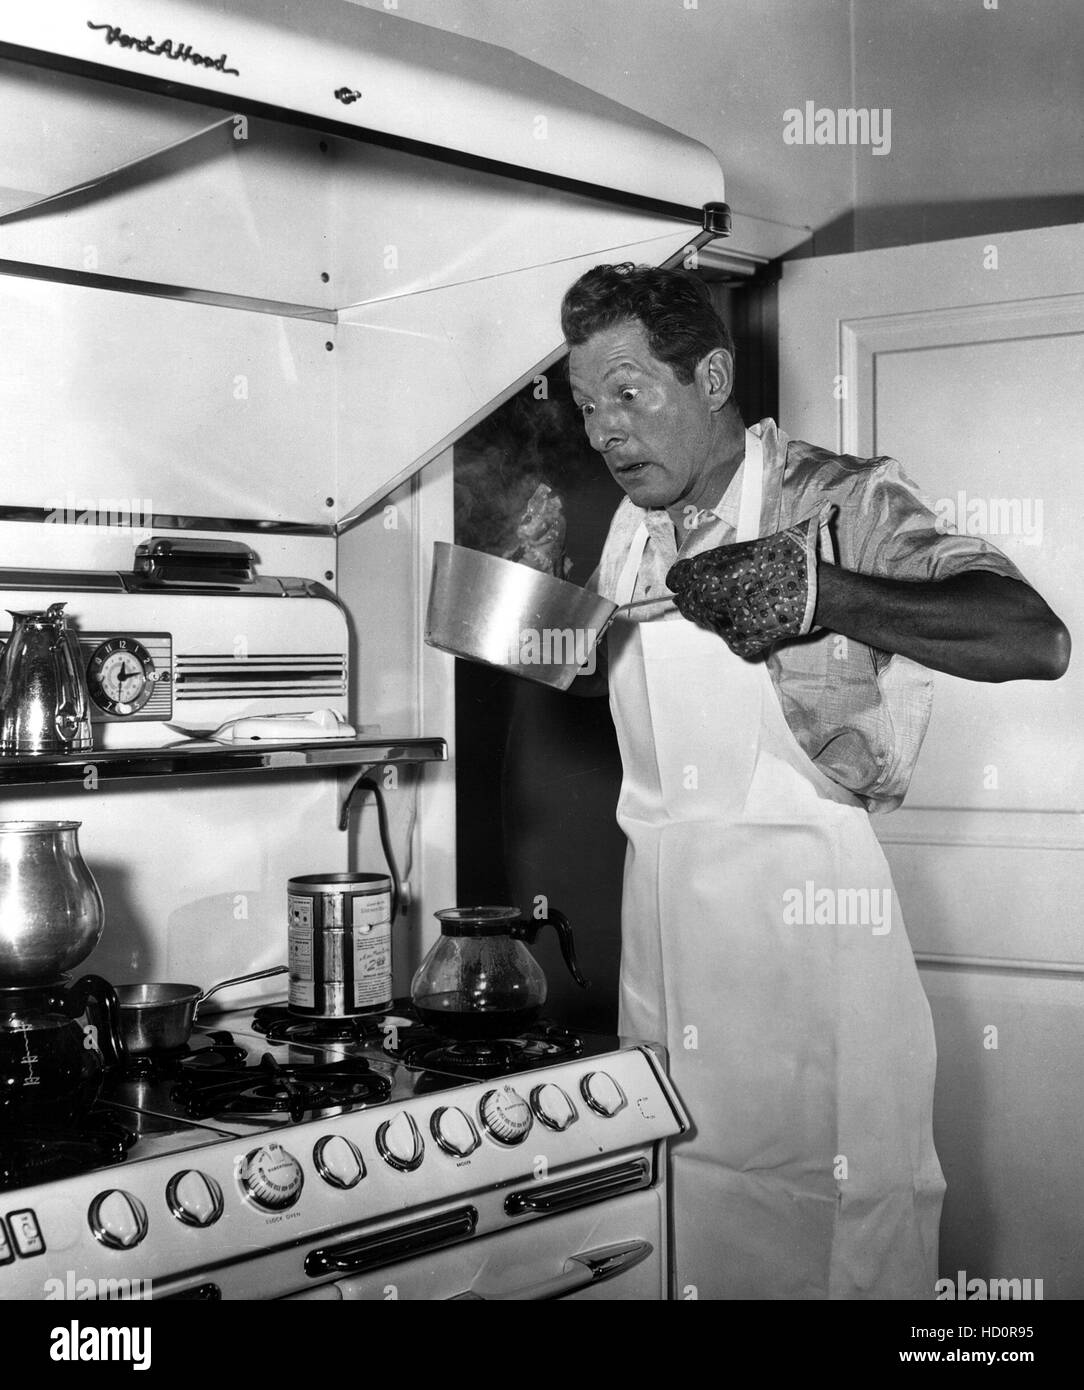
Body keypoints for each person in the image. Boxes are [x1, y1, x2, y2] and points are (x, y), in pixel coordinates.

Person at [559, 262, 1070, 1300]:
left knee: (840, 1233)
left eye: (626, 392)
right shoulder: (626, 531)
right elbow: (631, 705)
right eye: (584, 406)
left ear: (708, 374)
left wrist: (816, 590)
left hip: (814, 964)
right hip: (667, 961)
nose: (604, 430)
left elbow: (1032, 635)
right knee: (681, 1223)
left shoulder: (837, 496)